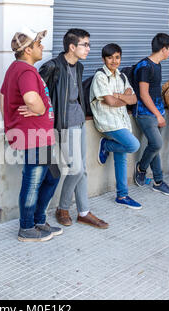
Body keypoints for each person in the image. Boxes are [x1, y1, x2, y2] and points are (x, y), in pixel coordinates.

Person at [39, 28, 109, 228]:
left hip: (79, 121)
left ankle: (84, 211)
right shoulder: (52, 67)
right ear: (72, 46)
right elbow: (36, 93)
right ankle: (62, 208)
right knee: (75, 169)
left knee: (82, 169)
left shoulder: (78, 67)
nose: (88, 48)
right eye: (84, 44)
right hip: (63, 124)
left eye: (88, 44)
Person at [0, 27, 62, 242]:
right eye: (38, 44)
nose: (42, 47)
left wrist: (10, 123)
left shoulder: (15, 68)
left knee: (53, 175)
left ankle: (38, 220)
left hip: (37, 135)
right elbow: (30, 98)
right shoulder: (26, 71)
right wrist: (40, 109)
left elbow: (2, 98)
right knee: (33, 181)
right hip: (34, 136)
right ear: (28, 50)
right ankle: (26, 228)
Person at [90, 43, 141, 209]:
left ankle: (122, 195)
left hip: (122, 121)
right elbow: (110, 102)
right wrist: (123, 98)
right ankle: (107, 145)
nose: (114, 61)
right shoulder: (100, 76)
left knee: (122, 157)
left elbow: (133, 99)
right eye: (110, 57)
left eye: (117, 57)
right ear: (104, 59)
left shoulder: (122, 77)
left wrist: (119, 95)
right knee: (133, 145)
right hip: (108, 121)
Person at [133, 33, 169, 197]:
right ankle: (141, 168)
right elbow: (144, 95)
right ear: (163, 48)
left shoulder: (157, 65)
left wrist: (160, 113)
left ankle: (158, 181)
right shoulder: (145, 66)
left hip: (156, 111)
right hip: (145, 113)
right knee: (157, 144)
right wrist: (158, 115)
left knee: (155, 146)